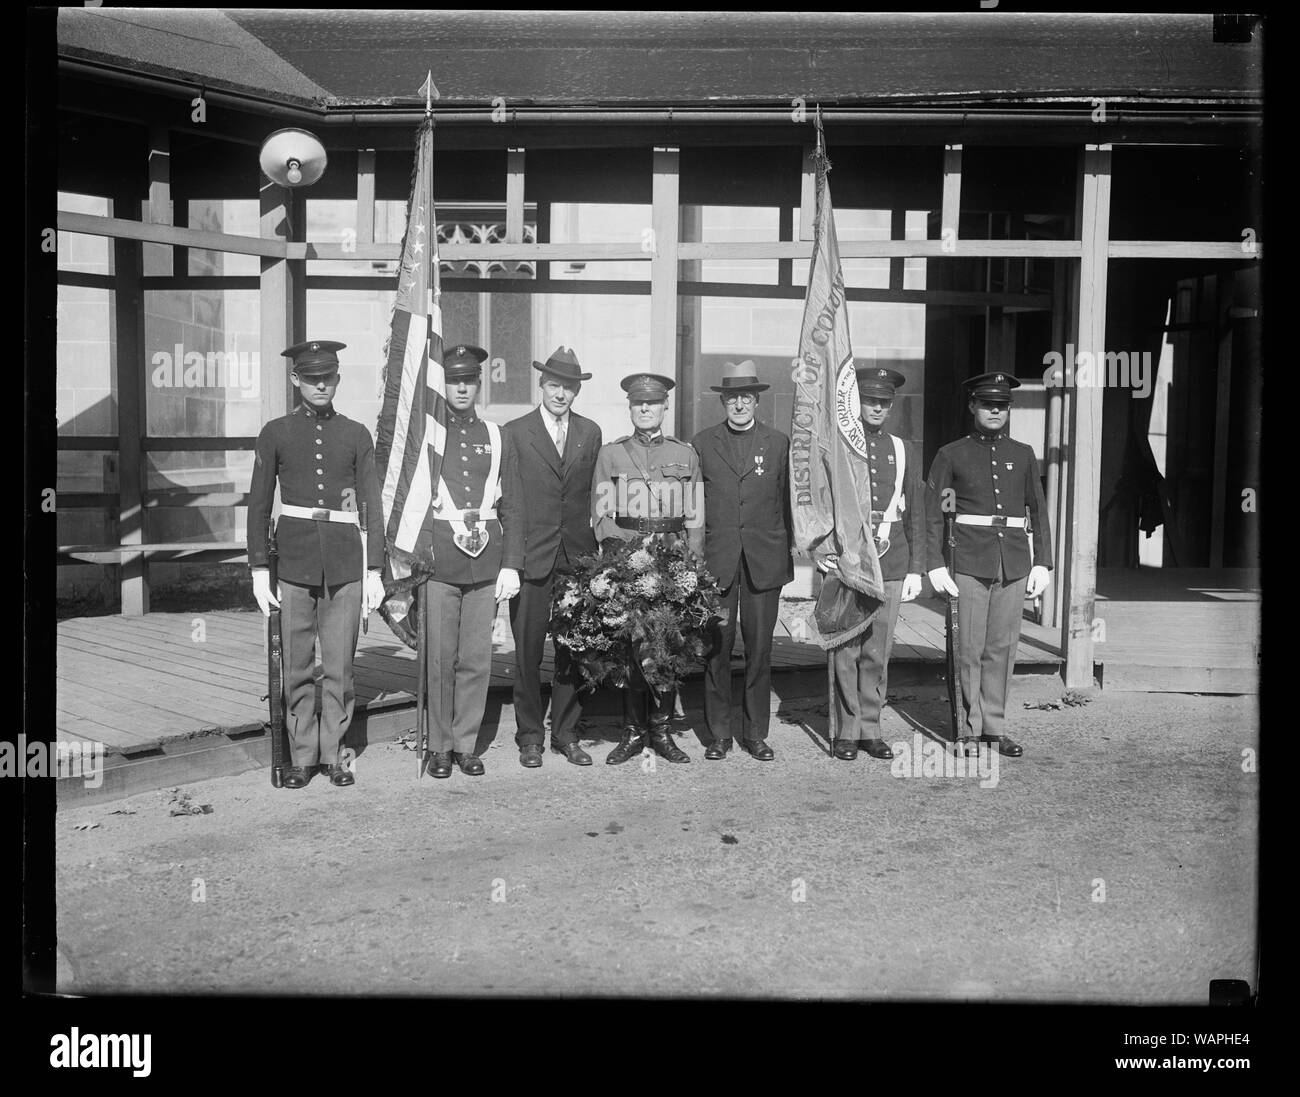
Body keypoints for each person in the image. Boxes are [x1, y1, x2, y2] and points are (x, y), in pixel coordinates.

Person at [247, 340, 386, 789]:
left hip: (345, 561)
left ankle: (334, 754)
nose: (321, 384)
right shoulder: (276, 432)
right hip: (294, 561)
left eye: (328, 377)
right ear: (296, 380)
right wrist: (257, 568)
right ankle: (302, 755)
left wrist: (375, 569)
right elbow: (258, 503)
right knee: (299, 664)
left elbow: (372, 504)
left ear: (338, 379)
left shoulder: (355, 433)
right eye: (311, 377)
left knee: (341, 666)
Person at [924, 371, 1053, 758]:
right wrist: (934, 563)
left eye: (1002, 406)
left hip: (1013, 561)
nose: (995, 411)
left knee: (1002, 647)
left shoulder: (1023, 453)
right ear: (972, 407)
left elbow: (1039, 511)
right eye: (987, 404)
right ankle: (967, 728)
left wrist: (1043, 562)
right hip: (967, 559)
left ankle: (994, 728)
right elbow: (933, 514)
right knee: (968, 648)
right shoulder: (952, 454)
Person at [591, 372, 704, 765]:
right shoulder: (612, 454)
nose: (645, 409)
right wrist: (620, 563)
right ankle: (633, 731)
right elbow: (602, 512)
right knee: (633, 648)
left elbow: (695, 513)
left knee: (668, 647)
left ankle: (662, 731)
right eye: (638, 403)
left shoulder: (684, 454)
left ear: (664, 408)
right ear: (630, 408)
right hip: (629, 560)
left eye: (652, 403)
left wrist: (693, 565)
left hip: (672, 559)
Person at [497, 347, 603, 768]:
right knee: (526, 651)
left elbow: (595, 493)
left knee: (573, 649)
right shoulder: (516, 431)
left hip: (576, 557)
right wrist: (511, 560)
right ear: (542, 385)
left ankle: (566, 733)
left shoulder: (589, 432)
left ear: (577, 391)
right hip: (532, 557)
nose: (561, 394)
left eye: (569, 387)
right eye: (554, 385)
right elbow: (510, 499)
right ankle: (529, 738)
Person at [821, 367, 925, 761]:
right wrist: (824, 552)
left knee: (878, 648)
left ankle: (870, 727)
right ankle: (845, 731)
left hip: (892, 555)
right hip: (850, 556)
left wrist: (917, 566)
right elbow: (822, 502)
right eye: (871, 400)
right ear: (857, 402)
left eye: (885, 402)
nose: (878, 408)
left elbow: (915, 510)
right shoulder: (839, 446)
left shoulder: (903, 449)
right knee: (846, 644)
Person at [691, 360, 793, 761]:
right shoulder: (701, 443)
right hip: (717, 561)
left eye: (745, 397)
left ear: (756, 401)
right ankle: (719, 733)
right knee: (716, 648)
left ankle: (755, 733)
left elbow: (789, 501)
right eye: (732, 397)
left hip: (763, 562)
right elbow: (695, 505)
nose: (739, 404)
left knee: (760, 650)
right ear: (723, 401)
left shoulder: (779, 443)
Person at [420, 344, 507, 779]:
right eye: (454, 381)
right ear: (444, 384)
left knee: (476, 658)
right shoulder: (429, 435)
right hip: (441, 558)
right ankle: (438, 746)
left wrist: (510, 563)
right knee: (440, 657)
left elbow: (512, 504)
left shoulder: (496, 435)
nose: (461, 388)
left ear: (477, 384)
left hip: (484, 559)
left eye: (468, 381)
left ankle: (465, 744)